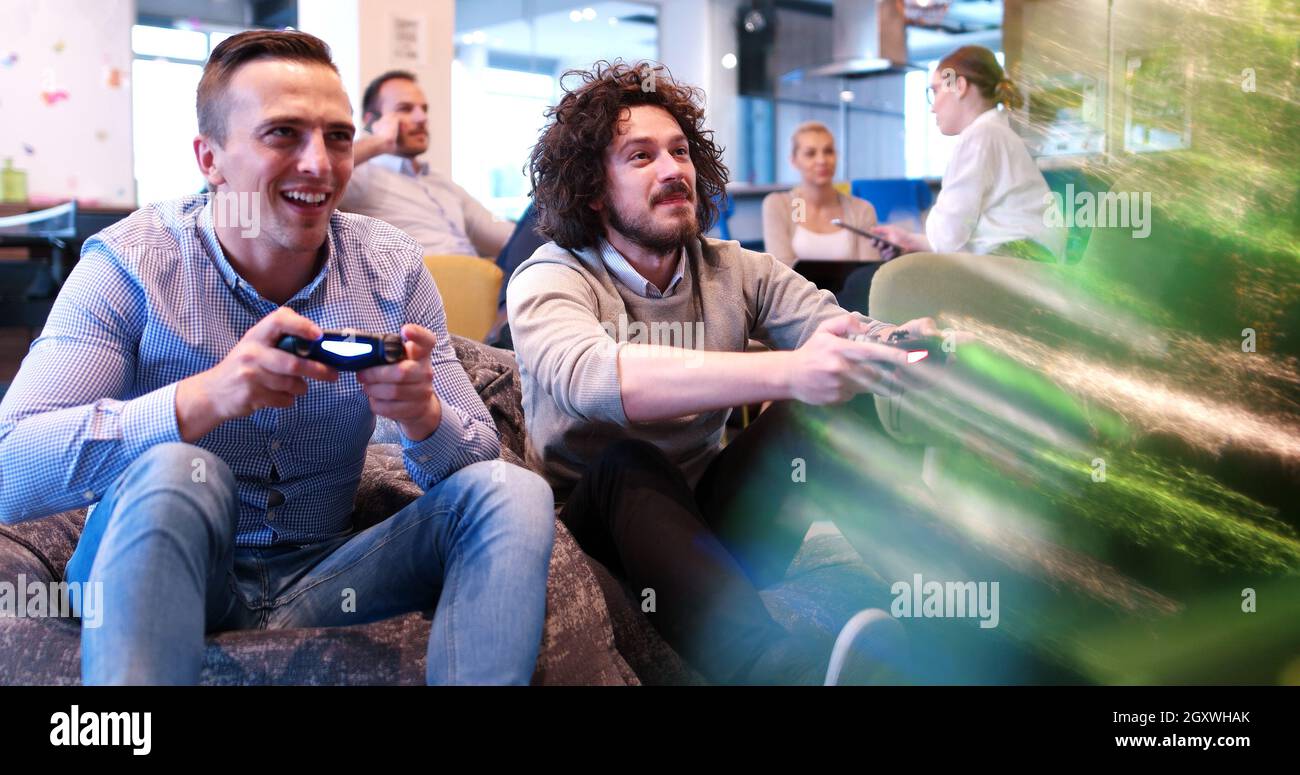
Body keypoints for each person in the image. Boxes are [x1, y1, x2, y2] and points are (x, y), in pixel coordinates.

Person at [0, 30, 555, 685]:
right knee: (177, 468)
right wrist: (205, 397)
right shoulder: (131, 264)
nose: (319, 164)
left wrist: (424, 417)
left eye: (338, 136)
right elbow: (12, 469)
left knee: (511, 491)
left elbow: (472, 461)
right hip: (171, 564)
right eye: (284, 134)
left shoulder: (391, 266)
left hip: (328, 571)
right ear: (210, 158)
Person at [508, 61, 936, 685]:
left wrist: (902, 344)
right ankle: (776, 671)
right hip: (599, 540)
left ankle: (946, 610)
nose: (673, 169)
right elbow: (595, 377)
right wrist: (788, 372)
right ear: (593, 190)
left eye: (680, 152)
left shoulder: (733, 269)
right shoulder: (552, 276)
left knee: (833, 403)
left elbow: (832, 324)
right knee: (630, 461)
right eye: (641, 157)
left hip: (708, 529)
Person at [873, 46, 1064, 261]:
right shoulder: (995, 132)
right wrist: (910, 240)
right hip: (1029, 259)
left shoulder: (980, 136)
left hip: (1017, 260)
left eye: (935, 91)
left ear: (960, 86)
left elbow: (947, 236)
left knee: (868, 280)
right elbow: (956, 236)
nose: (932, 107)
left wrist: (925, 238)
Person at [341, 70, 513, 258]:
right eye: (405, 109)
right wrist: (379, 141)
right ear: (371, 121)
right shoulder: (358, 176)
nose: (421, 118)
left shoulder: (441, 181)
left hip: (476, 279)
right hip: (421, 281)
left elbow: (503, 237)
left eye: (424, 109)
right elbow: (323, 168)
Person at [762, 121, 881, 266]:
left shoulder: (862, 210)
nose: (822, 160)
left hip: (850, 289)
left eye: (828, 151)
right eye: (810, 154)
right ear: (794, 161)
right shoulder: (780, 205)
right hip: (795, 289)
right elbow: (780, 273)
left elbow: (868, 275)